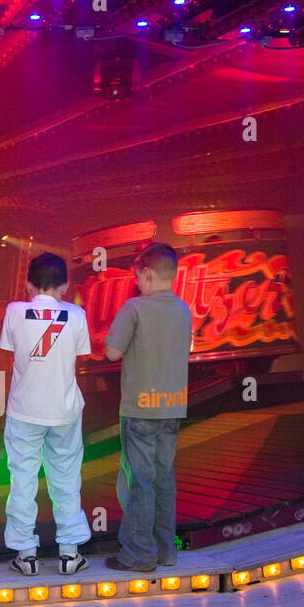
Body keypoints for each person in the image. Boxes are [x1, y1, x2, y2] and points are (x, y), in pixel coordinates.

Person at [0, 252, 92, 575]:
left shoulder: (14, 312)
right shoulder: (77, 315)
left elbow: (12, 354)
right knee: (66, 479)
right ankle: (69, 554)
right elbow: (77, 360)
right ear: (65, 286)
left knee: (22, 480)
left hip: (24, 410)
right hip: (65, 410)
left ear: (27, 284)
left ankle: (26, 555)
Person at [104, 243, 193, 571]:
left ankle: (138, 555)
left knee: (139, 482)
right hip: (172, 408)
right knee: (163, 478)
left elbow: (113, 352)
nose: (136, 283)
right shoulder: (183, 310)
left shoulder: (134, 307)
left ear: (147, 273)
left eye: (137, 276)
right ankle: (165, 551)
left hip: (141, 409)